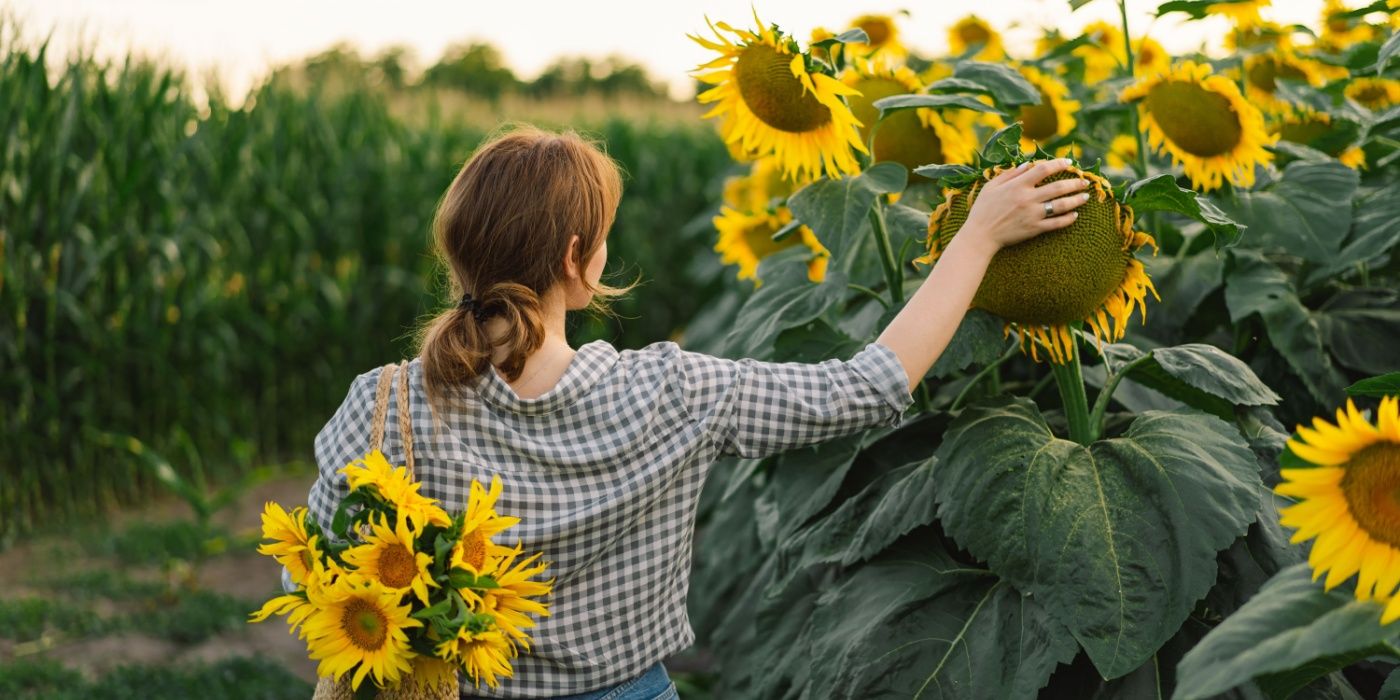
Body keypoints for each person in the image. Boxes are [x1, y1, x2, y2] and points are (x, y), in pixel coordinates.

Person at [293, 124, 1091, 699]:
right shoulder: (671, 393)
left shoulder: (386, 402)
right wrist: (977, 237)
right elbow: (869, 386)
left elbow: (319, 571)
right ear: (578, 259)